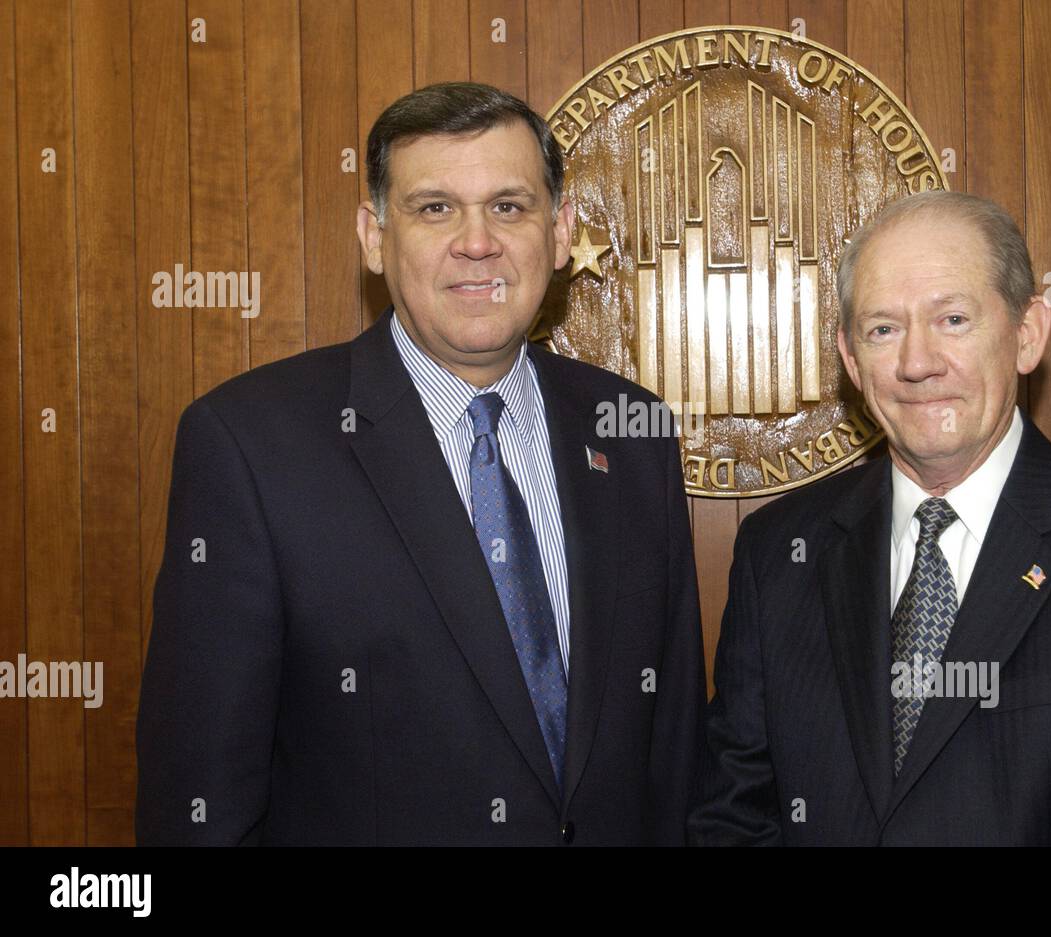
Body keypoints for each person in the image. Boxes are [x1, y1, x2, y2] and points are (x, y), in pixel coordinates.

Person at [136, 82, 706, 845]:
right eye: (434, 207)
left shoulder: (633, 433)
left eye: (509, 206)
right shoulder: (249, 445)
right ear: (374, 237)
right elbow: (199, 801)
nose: (478, 242)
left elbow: (672, 761)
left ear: (562, 231)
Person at [688, 190, 1051, 845]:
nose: (917, 363)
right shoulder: (778, 550)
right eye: (883, 329)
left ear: (1028, 333)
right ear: (850, 361)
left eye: (952, 319)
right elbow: (732, 817)